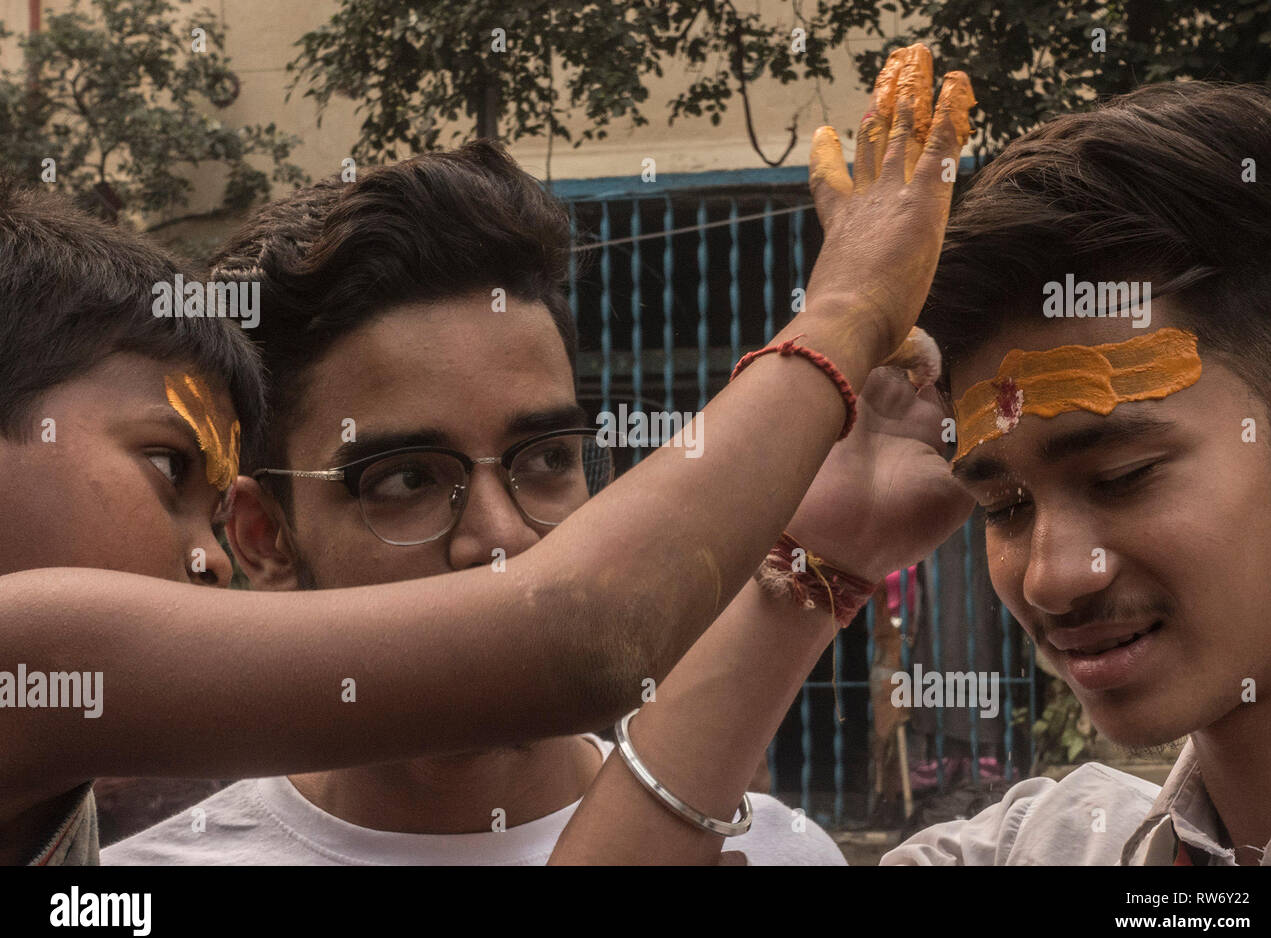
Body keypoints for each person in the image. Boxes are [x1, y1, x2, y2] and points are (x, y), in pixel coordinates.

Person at [0, 54, 973, 864]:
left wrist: (814, 567)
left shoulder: (779, 850)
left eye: (547, 457)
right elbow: (584, 634)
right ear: (266, 535)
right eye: (407, 480)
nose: (503, 537)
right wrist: (842, 319)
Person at [550, 79, 1271, 866]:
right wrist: (819, 565)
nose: (1050, 578)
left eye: (1124, 476)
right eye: (1005, 506)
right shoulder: (1040, 851)